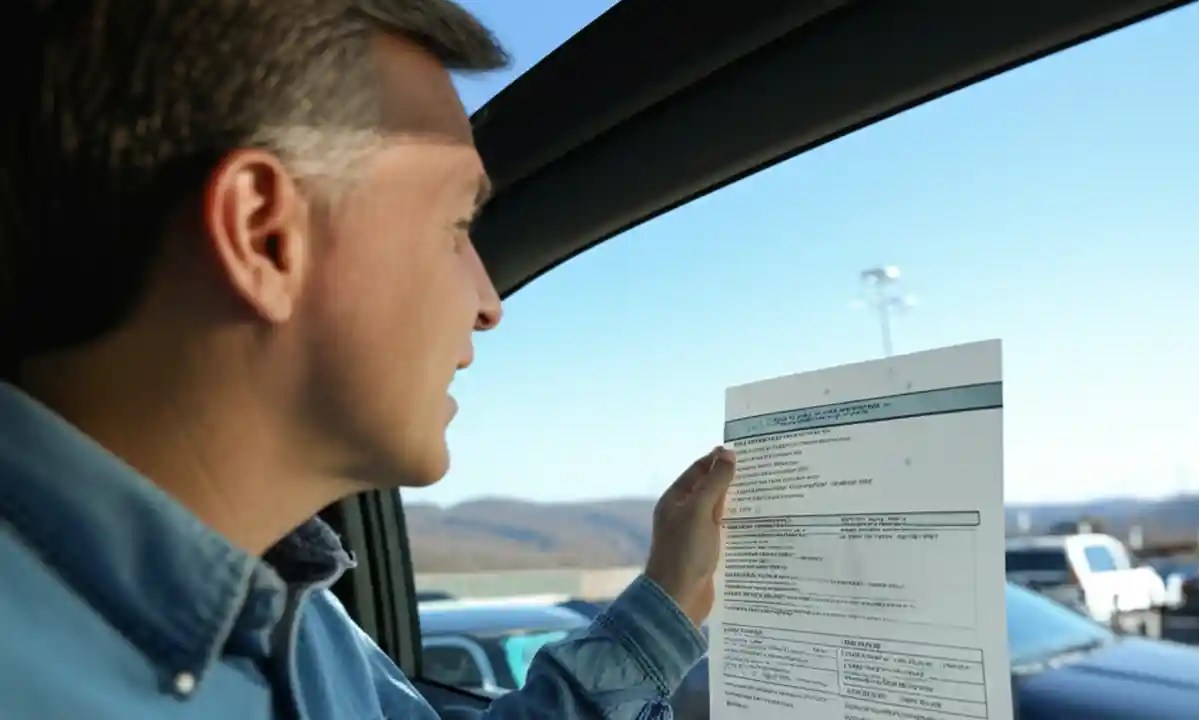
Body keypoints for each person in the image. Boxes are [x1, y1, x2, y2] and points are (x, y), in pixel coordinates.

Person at [0, 2, 736, 718]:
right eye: (456, 227)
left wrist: (666, 601)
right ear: (265, 236)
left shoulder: (302, 623)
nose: (488, 303)